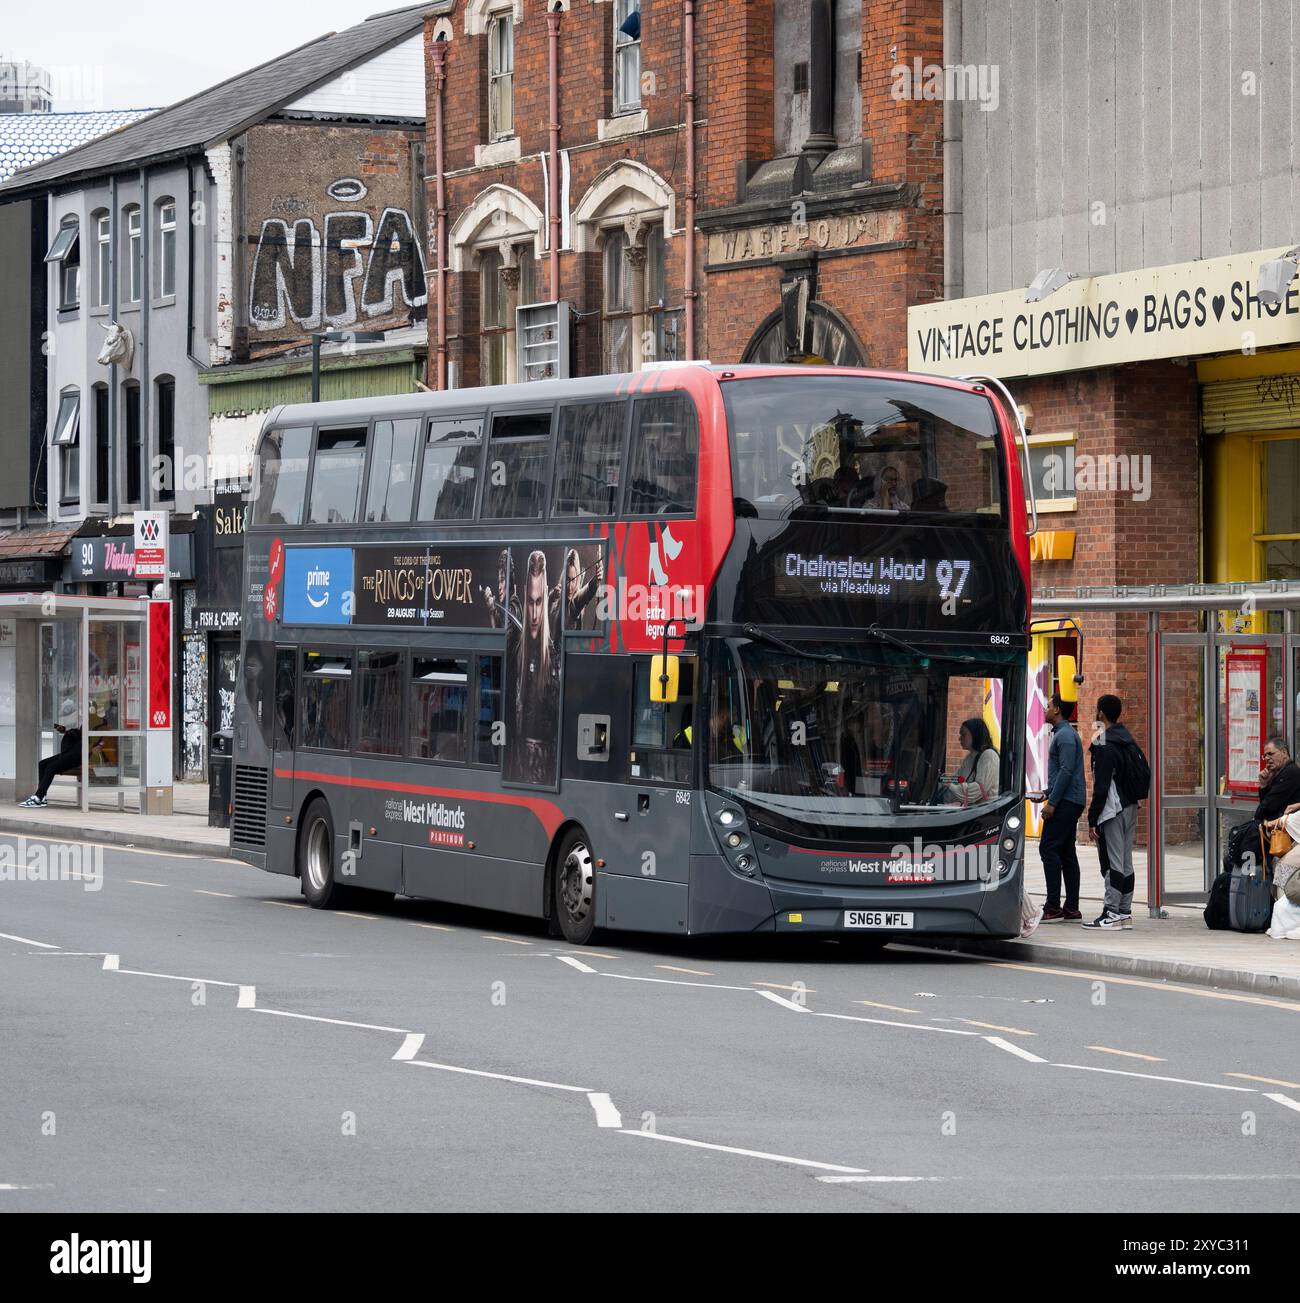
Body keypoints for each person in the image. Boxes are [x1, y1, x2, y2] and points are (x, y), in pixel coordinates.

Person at [1084, 694, 1144, 930]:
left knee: (1113, 863)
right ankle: (1124, 912)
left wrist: (1092, 818)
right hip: (1131, 805)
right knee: (1126, 862)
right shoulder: (1126, 739)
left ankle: (1111, 913)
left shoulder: (1104, 743)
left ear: (1101, 713)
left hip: (1112, 809)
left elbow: (1101, 786)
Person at [1038, 693, 1086, 922]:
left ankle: (1053, 906)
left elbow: (1067, 771)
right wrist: (1046, 793)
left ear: (1056, 709)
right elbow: (1064, 773)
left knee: (1048, 848)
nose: (1045, 709)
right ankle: (1071, 908)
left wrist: (1052, 803)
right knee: (1066, 852)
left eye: (1048, 705)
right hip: (1069, 799)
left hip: (1066, 801)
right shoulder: (1064, 734)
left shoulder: (1065, 736)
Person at [19, 701, 82, 808]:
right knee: (42, 764)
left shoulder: (94, 725)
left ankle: (38, 797)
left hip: (78, 756)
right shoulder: (83, 722)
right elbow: (79, 737)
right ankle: (41, 797)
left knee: (51, 767)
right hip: (71, 752)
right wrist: (67, 731)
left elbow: (87, 742)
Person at [945, 718, 999, 807]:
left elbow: (978, 790)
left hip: (986, 815)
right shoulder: (969, 758)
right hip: (973, 812)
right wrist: (944, 782)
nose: (959, 738)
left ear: (975, 734)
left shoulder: (989, 756)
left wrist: (950, 786)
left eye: (963, 734)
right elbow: (958, 779)